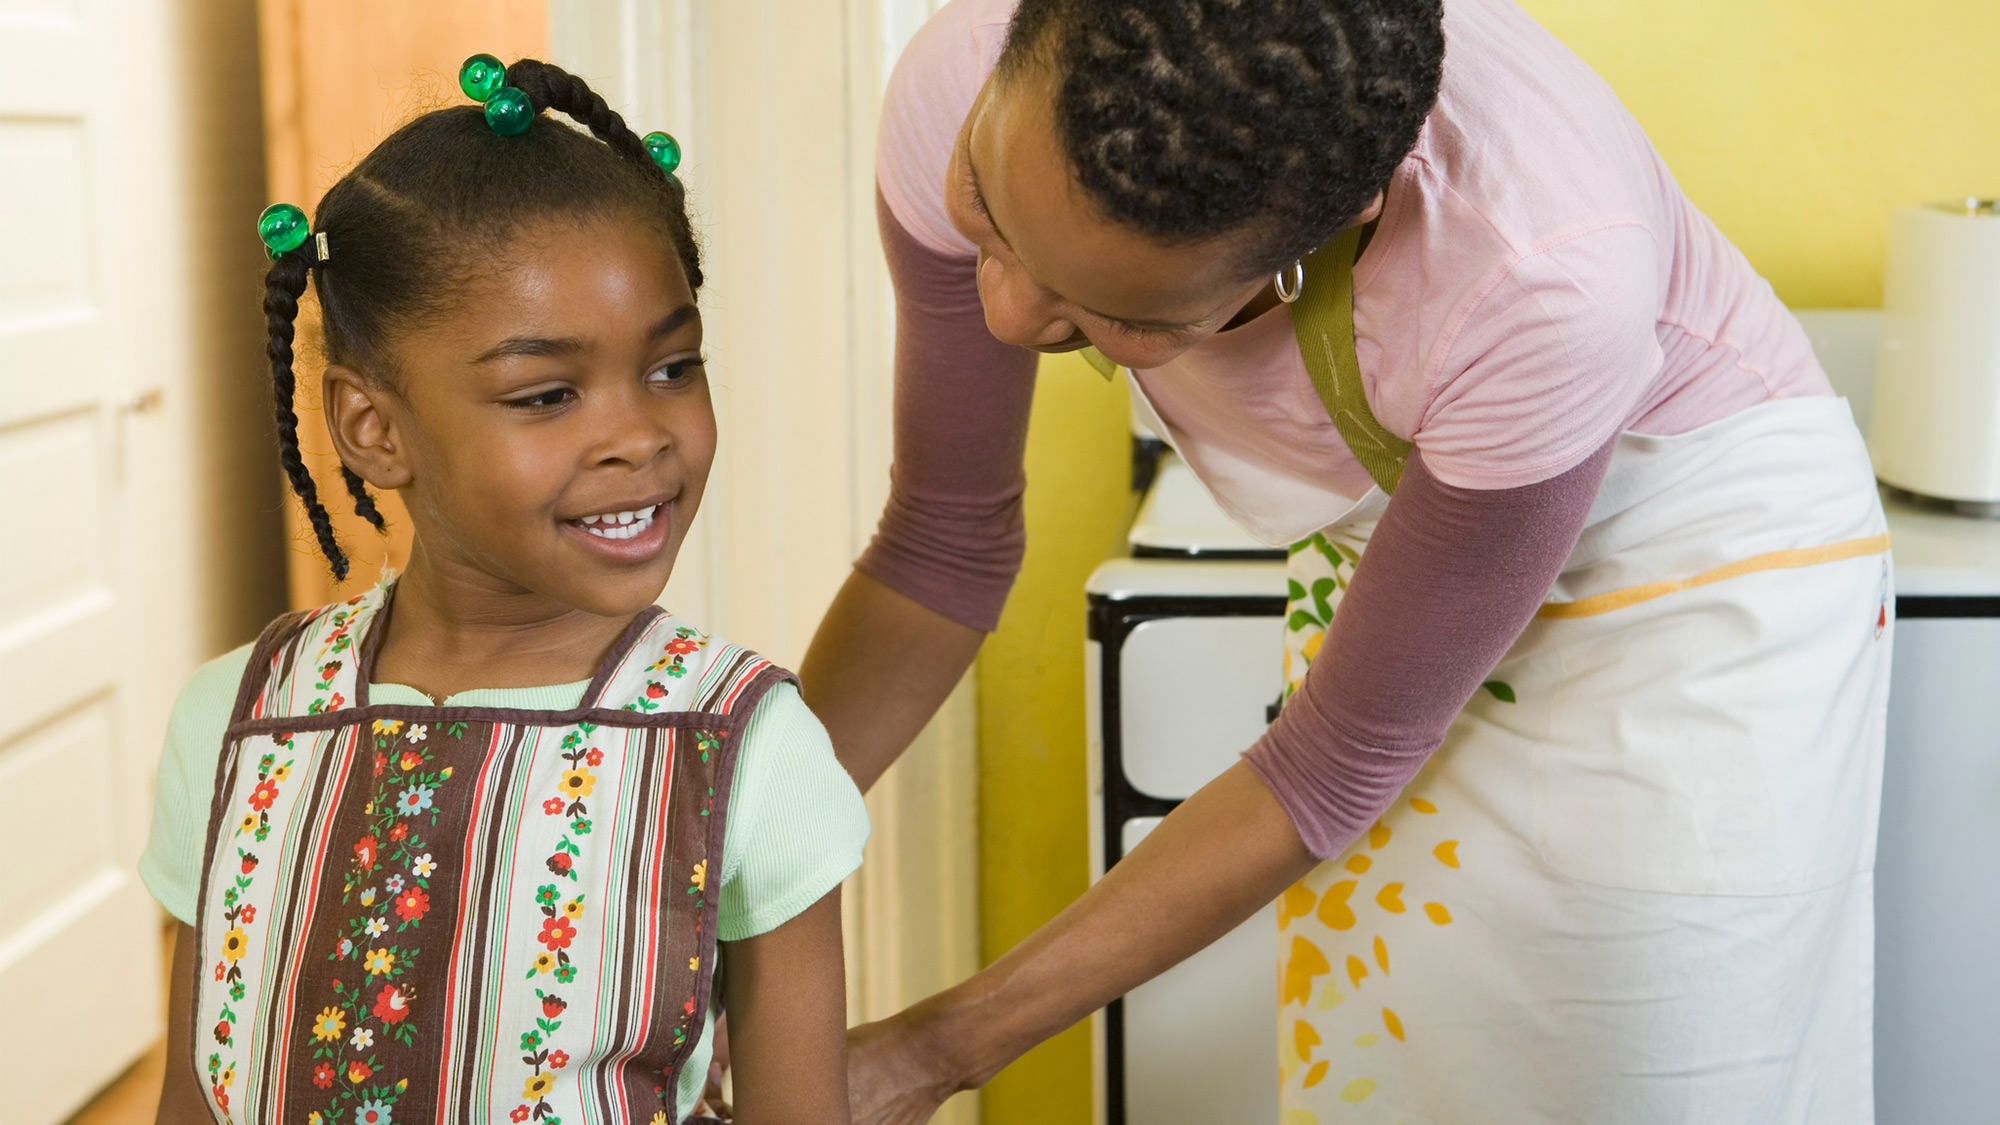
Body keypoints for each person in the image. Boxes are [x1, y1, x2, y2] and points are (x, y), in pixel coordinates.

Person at [815, 1, 1891, 1121]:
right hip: (1414, 541)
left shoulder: (1535, 273)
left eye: (1115, 316)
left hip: (1689, 571)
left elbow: (1330, 765)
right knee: (1399, 1067)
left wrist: (931, 1050)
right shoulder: (972, 76)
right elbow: (943, 536)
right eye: (986, 213)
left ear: (1318, 236)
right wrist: (704, 860)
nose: (1004, 312)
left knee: (1644, 1078)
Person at [139, 57, 865, 1125]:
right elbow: (194, 1092)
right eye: (547, 393)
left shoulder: (742, 747)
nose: (637, 436)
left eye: (674, 367)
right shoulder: (237, 723)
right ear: (373, 429)